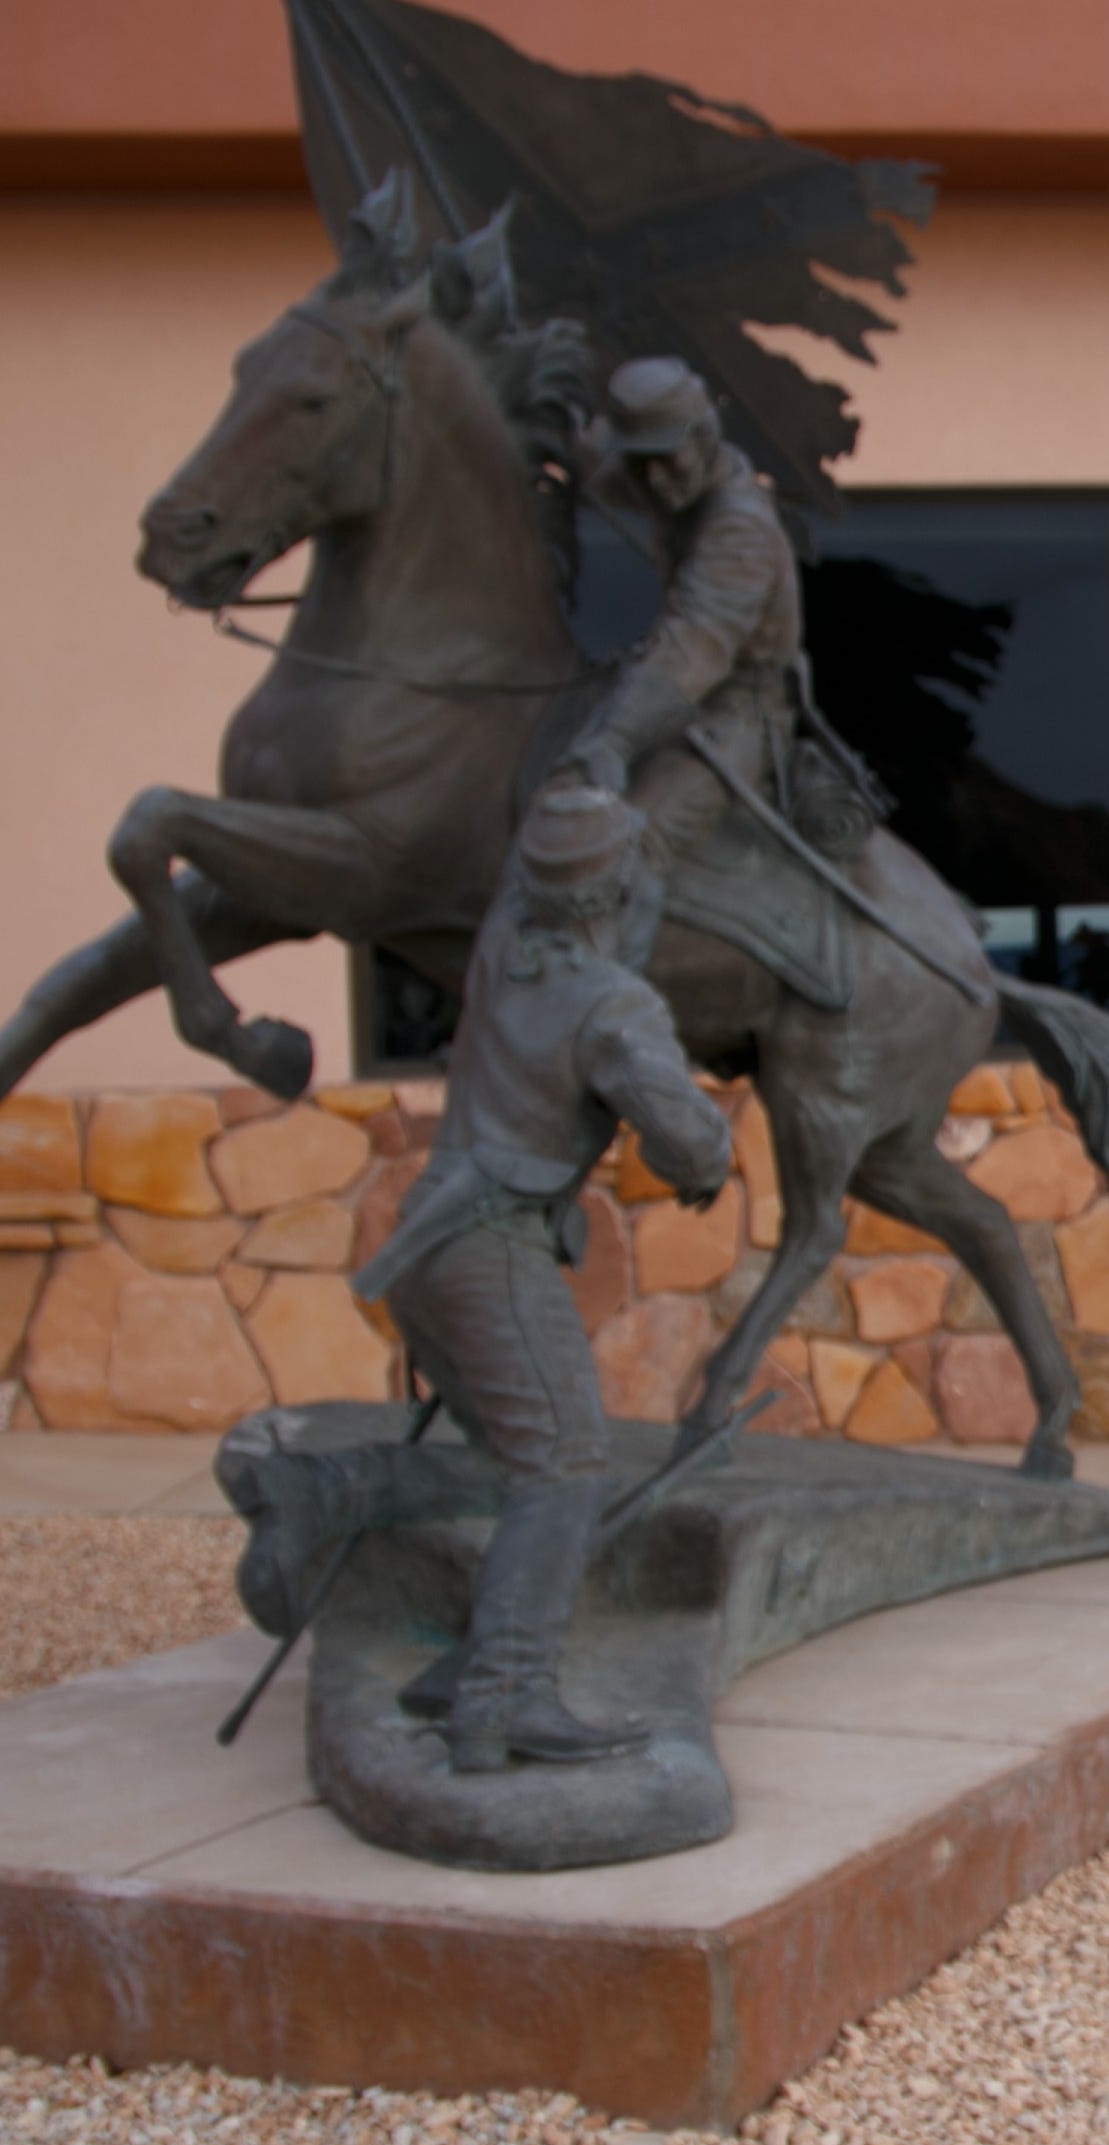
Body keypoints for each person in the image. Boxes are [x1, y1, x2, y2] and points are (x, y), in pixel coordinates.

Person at [221, 784, 732, 1773]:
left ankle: (358, 1515)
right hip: (491, 1246)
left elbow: (532, 862)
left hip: (428, 1238)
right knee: (566, 1464)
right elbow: (693, 1144)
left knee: (516, 1467)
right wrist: (700, 1152)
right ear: (618, 886)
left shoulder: (505, 947)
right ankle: (503, 1698)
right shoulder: (614, 1006)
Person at [555, 355, 807, 821]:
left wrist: (617, 738)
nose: (652, 480)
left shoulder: (739, 532)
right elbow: (605, 472)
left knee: (626, 844)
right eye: (639, 462)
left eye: (664, 458)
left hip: (738, 716)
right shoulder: (675, 483)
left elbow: (694, 646)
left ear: (704, 438)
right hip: (677, 697)